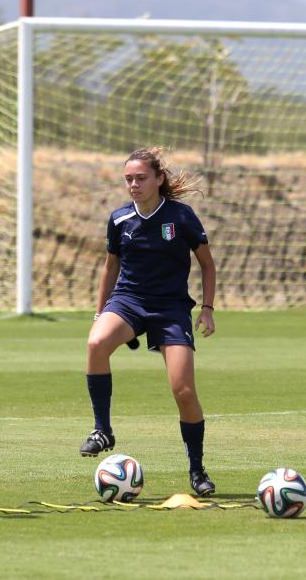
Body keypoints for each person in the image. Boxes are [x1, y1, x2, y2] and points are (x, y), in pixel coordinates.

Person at [80, 147, 218, 497]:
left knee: (184, 391)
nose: (133, 184)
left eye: (141, 178)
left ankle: (197, 470)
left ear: (159, 179)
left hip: (171, 308)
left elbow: (207, 264)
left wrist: (207, 308)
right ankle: (102, 430)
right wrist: (100, 313)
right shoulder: (119, 219)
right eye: (128, 179)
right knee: (96, 343)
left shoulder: (182, 217)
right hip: (128, 301)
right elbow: (110, 267)